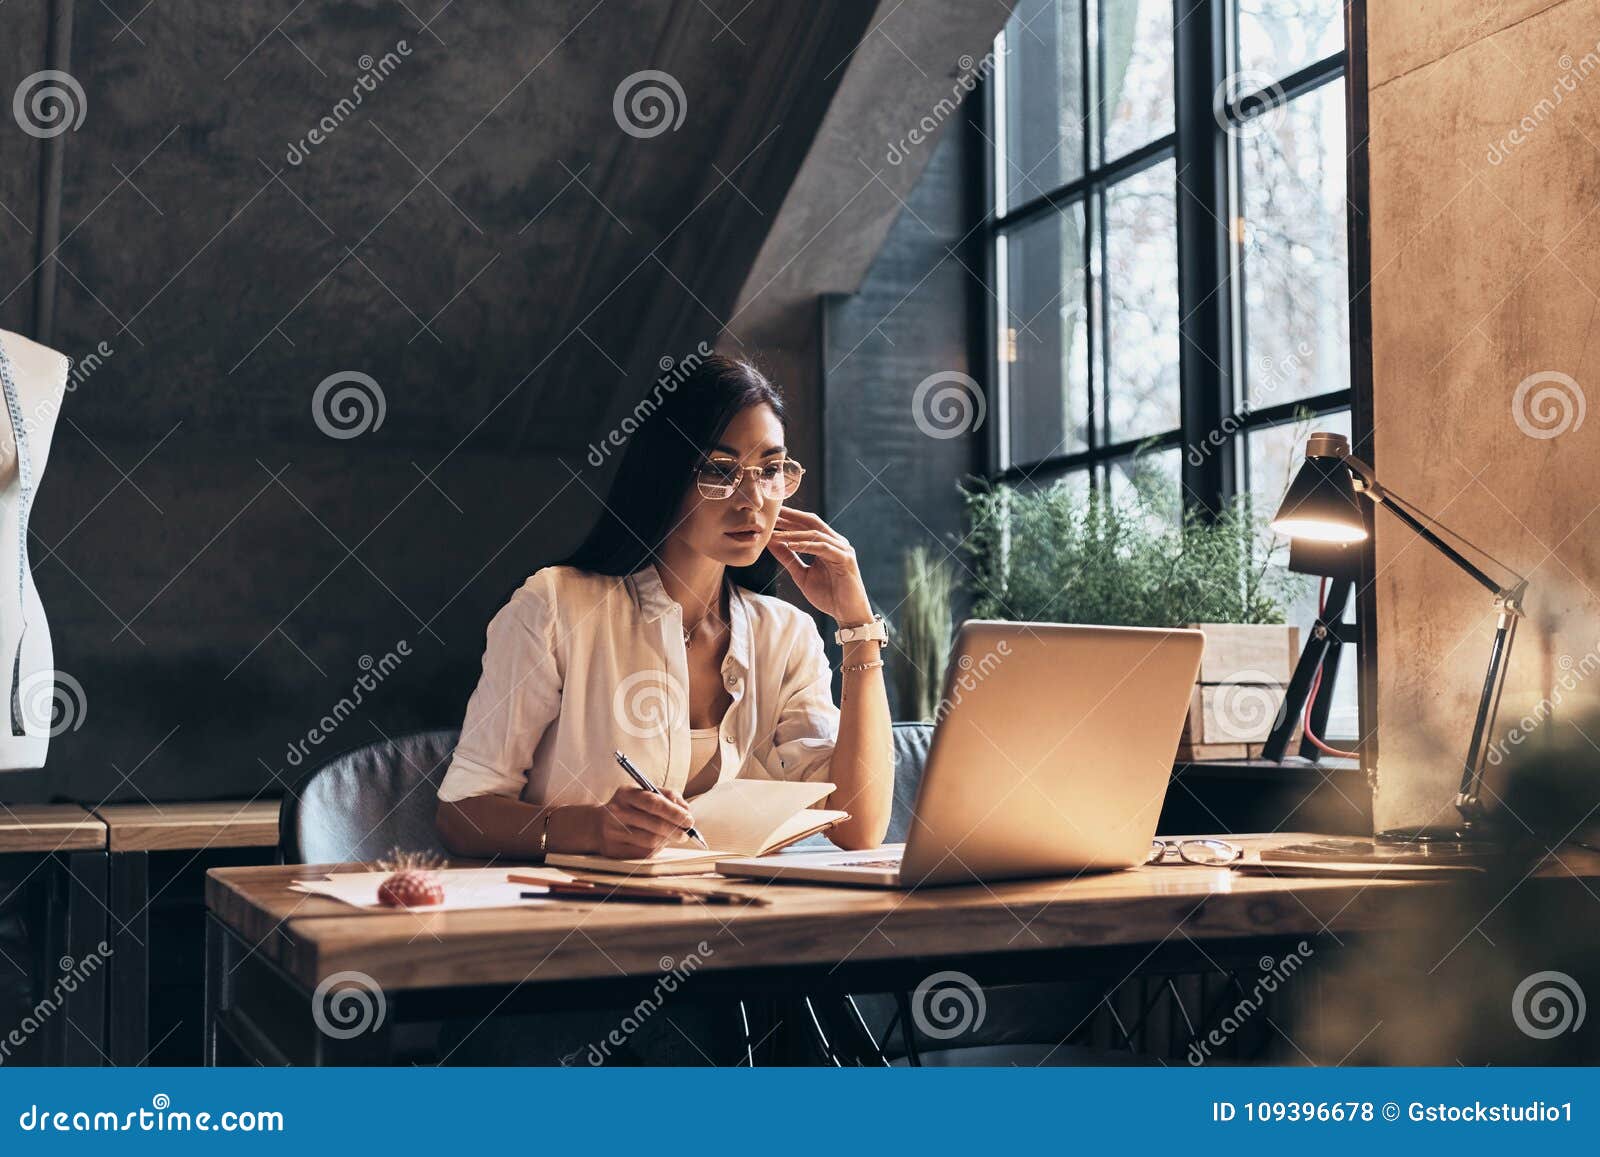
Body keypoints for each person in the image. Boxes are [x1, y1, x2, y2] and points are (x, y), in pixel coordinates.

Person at [432, 355, 893, 1064]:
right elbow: (462, 811)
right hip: (566, 976)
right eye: (719, 470)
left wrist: (858, 626)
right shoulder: (556, 605)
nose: (752, 500)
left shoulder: (785, 633)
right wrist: (589, 827)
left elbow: (860, 825)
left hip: (729, 970)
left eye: (770, 469)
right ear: (665, 474)